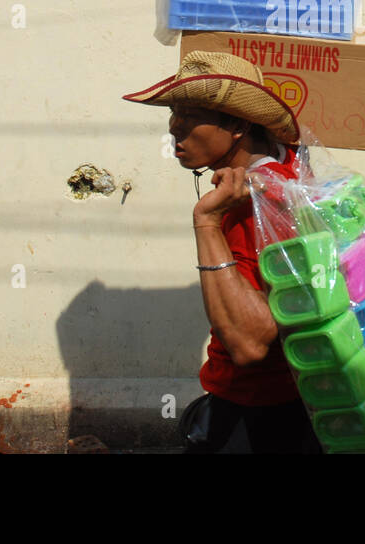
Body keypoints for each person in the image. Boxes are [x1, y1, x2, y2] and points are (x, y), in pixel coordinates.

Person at [123, 50, 323, 454]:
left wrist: (206, 222)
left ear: (237, 126)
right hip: (301, 397)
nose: (174, 128)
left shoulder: (256, 202)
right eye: (174, 113)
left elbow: (250, 345)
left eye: (191, 115)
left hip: (258, 411)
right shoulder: (285, 171)